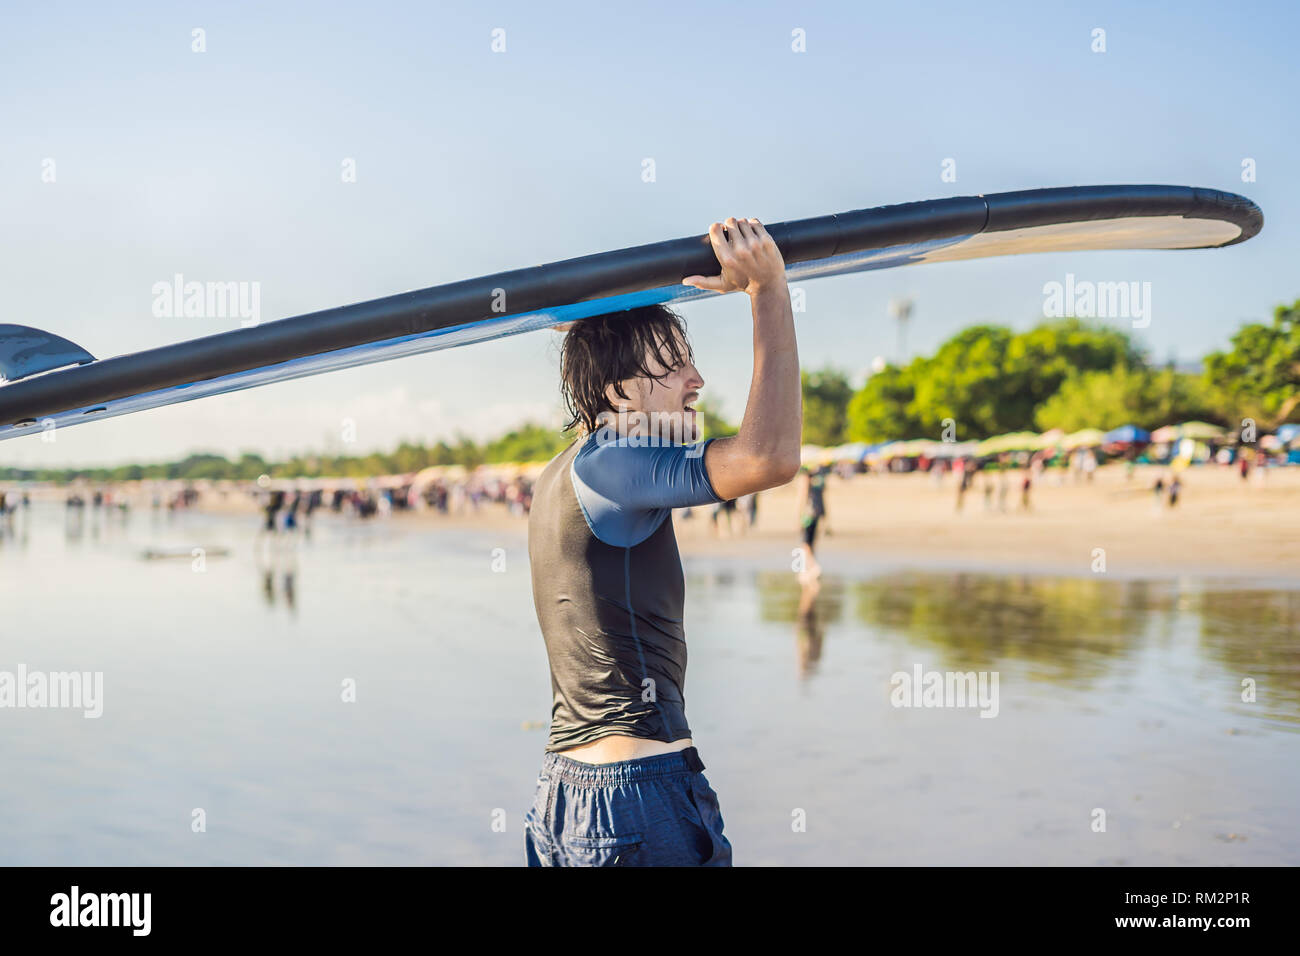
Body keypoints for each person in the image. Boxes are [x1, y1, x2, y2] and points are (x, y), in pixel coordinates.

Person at [525, 216, 799, 866]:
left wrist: (599, 317)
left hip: (562, 800)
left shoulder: (561, 473)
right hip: (634, 803)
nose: (698, 380)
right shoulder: (615, 461)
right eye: (675, 366)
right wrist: (769, 292)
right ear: (619, 391)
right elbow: (768, 457)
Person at [796, 461, 830, 580]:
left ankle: (813, 567)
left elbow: (803, 496)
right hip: (818, 512)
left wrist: (799, 514)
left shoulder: (805, 478)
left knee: (804, 542)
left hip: (808, 513)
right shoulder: (819, 481)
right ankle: (808, 568)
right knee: (811, 541)